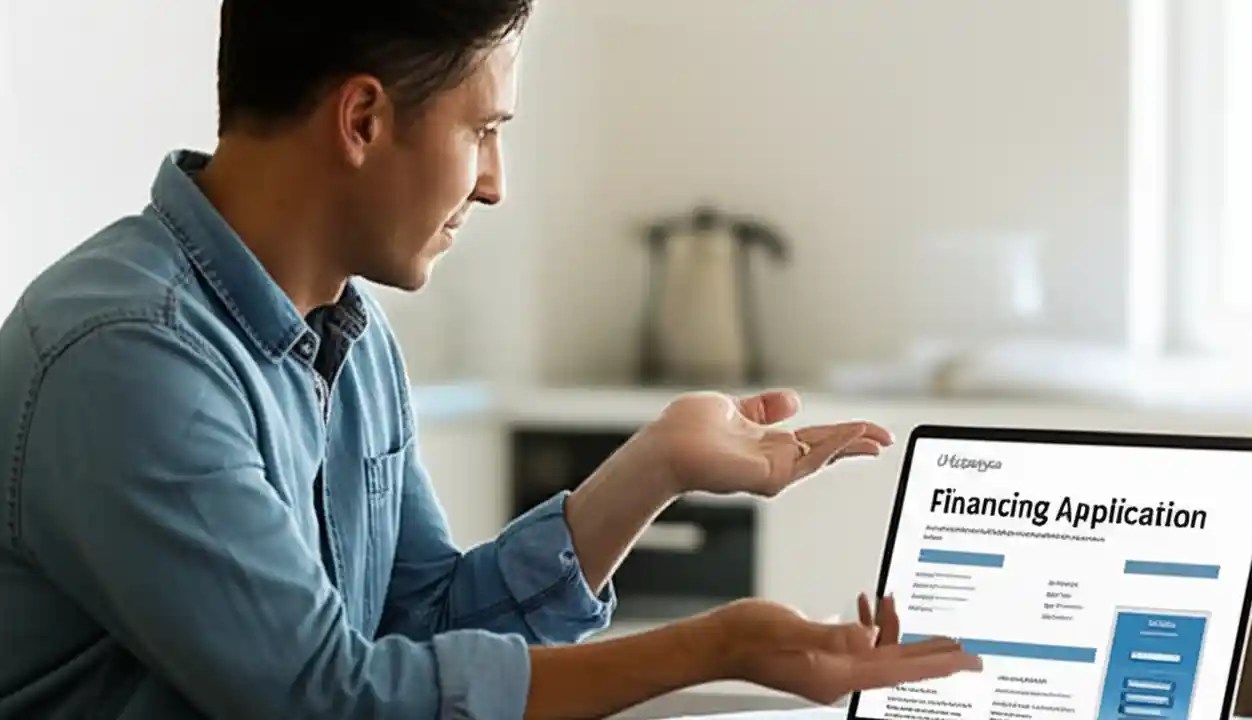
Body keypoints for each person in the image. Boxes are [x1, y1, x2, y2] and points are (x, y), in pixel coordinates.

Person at [0, 2, 981, 718]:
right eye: (483, 132)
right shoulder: (130, 357)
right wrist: (713, 645)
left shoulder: (350, 336)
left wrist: (655, 466)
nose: (495, 184)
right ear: (361, 120)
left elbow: (426, 627)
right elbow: (323, 701)